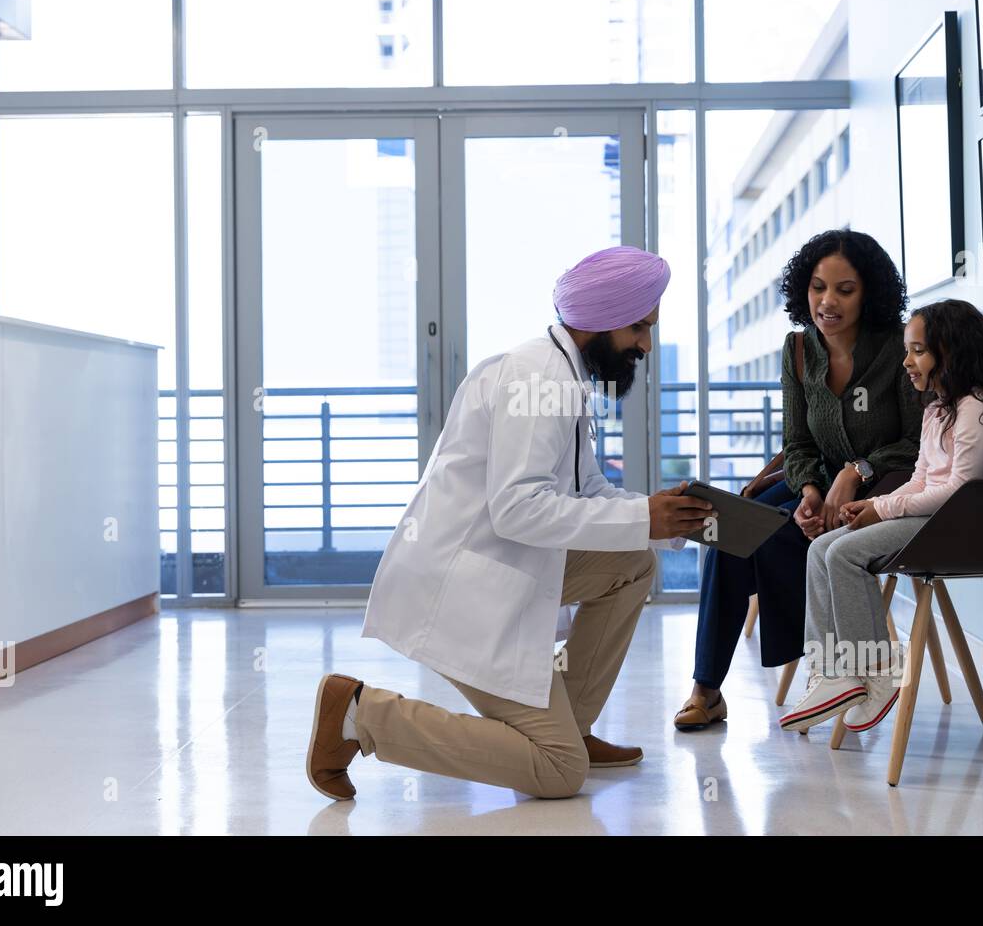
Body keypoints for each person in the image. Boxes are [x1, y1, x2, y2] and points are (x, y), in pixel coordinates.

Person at [306, 246, 715, 800]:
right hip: (462, 593)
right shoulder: (538, 379)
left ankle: (574, 723)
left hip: (502, 569)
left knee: (632, 561)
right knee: (557, 770)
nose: (645, 344)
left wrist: (660, 520)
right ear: (602, 320)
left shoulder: (563, 375)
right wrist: (642, 516)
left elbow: (585, 488)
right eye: (640, 327)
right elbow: (519, 508)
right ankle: (359, 715)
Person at [676, 230, 922, 730]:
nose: (827, 302)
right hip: (819, 479)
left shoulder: (901, 348)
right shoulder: (797, 351)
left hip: (885, 485)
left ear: (869, 293)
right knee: (727, 534)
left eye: (844, 290)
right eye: (817, 287)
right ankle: (707, 688)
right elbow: (798, 441)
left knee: (778, 539)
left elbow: (919, 441)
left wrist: (856, 472)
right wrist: (810, 489)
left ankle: (828, 671)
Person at [781, 298, 983, 733]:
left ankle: (878, 671)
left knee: (844, 554)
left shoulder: (979, 408)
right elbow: (922, 478)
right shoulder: (938, 409)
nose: (907, 362)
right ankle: (831, 669)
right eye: (908, 350)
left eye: (918, 350)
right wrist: (874, 509)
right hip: (940, 519)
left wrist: (883, 507)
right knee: (821, 547)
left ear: (951, 351)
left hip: (969, 526)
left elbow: (959, 490)